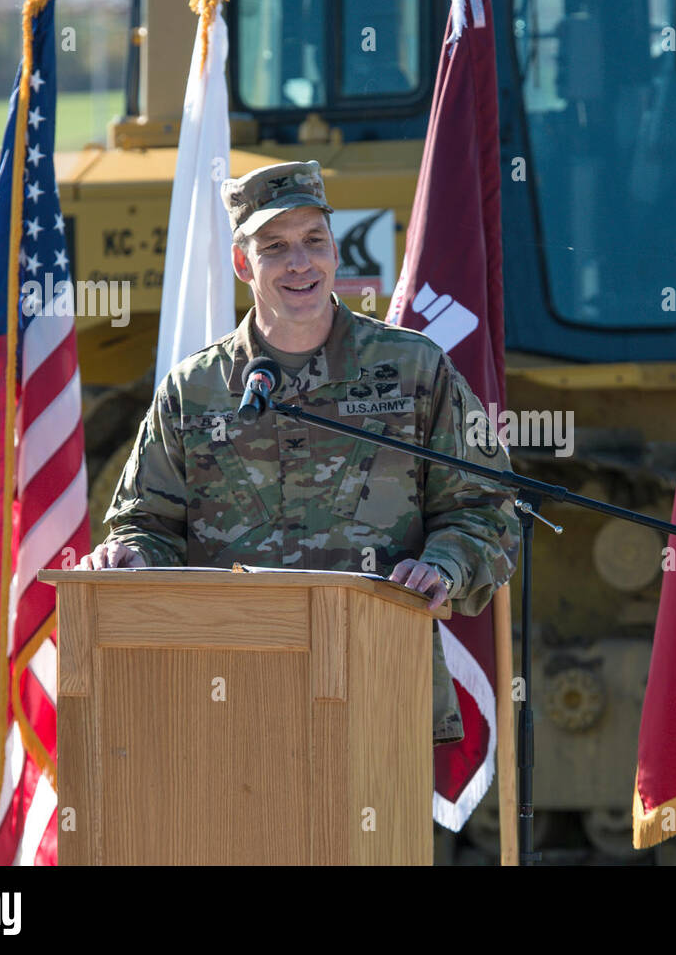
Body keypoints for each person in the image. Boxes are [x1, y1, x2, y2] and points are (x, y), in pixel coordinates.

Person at [79, 160, 520, 745]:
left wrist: (443, 566)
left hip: (378, 689)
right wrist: (131, 556)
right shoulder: (195, 389)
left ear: (336, 251)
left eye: (315, 240)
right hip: (228, 702)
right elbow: (148, 525)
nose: (300, 263)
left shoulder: (414, 369)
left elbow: (486, 507)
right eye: (275, 247)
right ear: (243, 264)